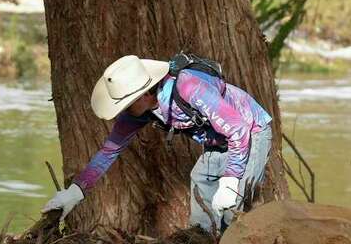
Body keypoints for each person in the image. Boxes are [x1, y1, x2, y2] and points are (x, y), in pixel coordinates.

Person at [42, 53, 274, 232]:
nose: (122, 111)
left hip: (250, 132)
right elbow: (109, 151)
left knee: (234, 206)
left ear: (144, 94)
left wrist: (231, 180)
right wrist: (76, 191)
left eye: (125, 104)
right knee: (201, 183)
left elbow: (238, 129)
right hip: (218, 141)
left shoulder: (189, 87)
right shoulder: (139, 112)